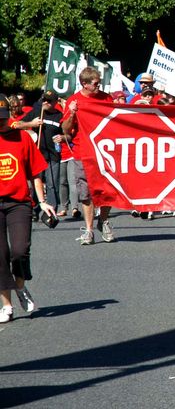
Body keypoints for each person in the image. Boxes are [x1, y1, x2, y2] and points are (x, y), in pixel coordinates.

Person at [1, 94, 57, 323]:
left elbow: (35, 172)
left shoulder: (22, 138)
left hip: (19, 202)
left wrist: (42, 201)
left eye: (2, 118)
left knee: (20, 250)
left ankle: (20, 286)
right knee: (0, 255)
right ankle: (6, 305)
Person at [61, 66, 115, 245]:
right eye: (95, 83)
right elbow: (65, 129)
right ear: (84, 84)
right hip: (82, 152)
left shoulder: (106, 98)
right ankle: (89, 229)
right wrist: (72, 113)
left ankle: (104, 221)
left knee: (107, 190)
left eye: (99, 83)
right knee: (86, 193)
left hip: (105, 152)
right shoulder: (74, 100)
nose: (99, 86)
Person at [14, 91, 64, 210]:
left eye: (49, 101)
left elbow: (67, 134)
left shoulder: (59, 116)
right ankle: (35, 208)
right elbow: (18, 124)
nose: (45, 102)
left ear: (55, 102)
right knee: (36, 183)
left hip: (52, 155)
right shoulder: (37, 112)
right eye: (44, 100)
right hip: (37, 154)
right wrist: (32, 123)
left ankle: (52, 210)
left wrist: (62, 137)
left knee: (52, 184)